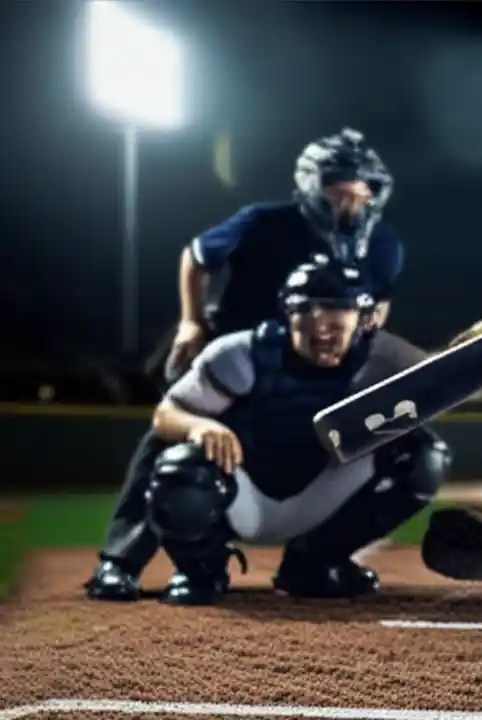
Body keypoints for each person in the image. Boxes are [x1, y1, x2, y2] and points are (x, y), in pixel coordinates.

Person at [85, 127, 426, 601]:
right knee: (174, 437)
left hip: (320, 368)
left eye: (363, 186)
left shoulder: (384, 245)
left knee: (392, 449)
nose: (353, 196)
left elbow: (378, 309)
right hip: (243, 359)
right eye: (340, 184)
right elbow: (197, 256)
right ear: (313, 185)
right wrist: (191, 321)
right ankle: (119, 562)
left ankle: (317, 560)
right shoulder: (263, 222)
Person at [144, 258, 448, 604]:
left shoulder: (385, 357)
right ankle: (200, 571)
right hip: (243, 493)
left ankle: (316, 563)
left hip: (323, 492)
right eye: (307, 310)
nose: (321, 325)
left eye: (335, 310)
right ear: (288, 314)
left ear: (363, 317)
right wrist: (200, 425)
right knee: (181, 468)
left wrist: (479, 349)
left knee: (422, 454)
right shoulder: (241, 354)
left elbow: (442, 378)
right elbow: (167, 414)